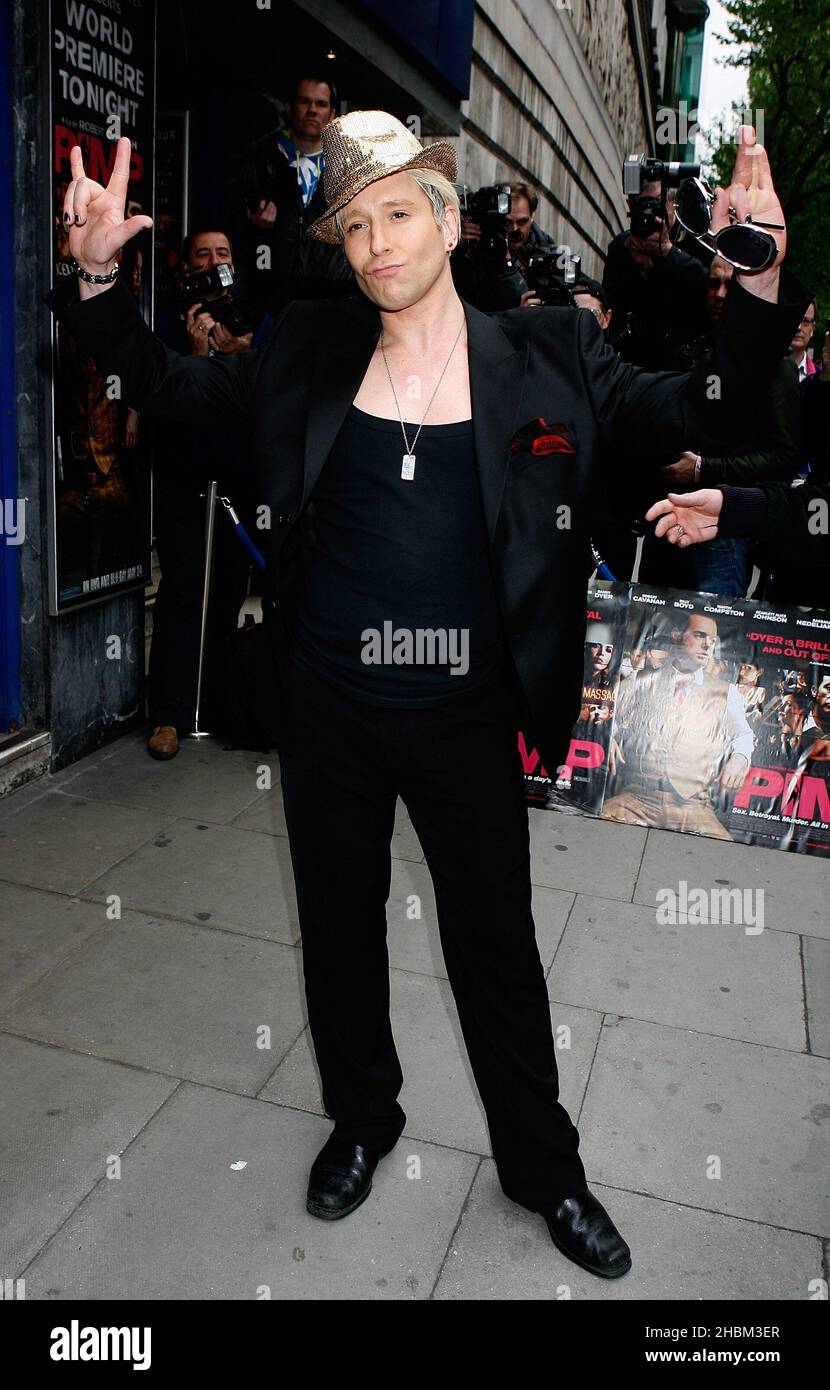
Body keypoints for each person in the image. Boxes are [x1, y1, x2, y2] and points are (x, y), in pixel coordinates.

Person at [50, 116, 806, 1282]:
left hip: (463, 717)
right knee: (341, 934)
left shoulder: (550, 352)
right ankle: (364, 1119)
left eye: (397, 211)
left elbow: (701, 407)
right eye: (353, 223)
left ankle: (543, 1169)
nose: (374, 242)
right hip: (328, 713)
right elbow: (159, 382)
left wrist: (752, 283)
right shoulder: (304, 346)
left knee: (494, 950)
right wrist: (97, 276)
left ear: (448, 222)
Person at [146, 227, 269, 760]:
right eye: (204, 254)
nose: (215, 261)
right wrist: (196, 356)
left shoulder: (252, 320)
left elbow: (273, 393)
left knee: (225, 592)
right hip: (185, 479)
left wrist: (246, 351)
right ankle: (168, 715)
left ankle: (217, 700)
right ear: (187, 265)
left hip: (240, 480)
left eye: (224, 252)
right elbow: (162, 402)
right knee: (182, 591)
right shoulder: (172, 324)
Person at [604, 609, 754, 838]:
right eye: (700, 636)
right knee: (601, 824)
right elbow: (608, 712)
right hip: (638, 799)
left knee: (722, 848)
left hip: (693, 806)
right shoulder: (641, 680)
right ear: (677, 636)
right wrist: (608, 734)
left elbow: (744, 735)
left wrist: (740, 758)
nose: (707, 646)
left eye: (712, 640)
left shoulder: (726, 692)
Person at [236, 72, 354, 312]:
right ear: (289, 108)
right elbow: (236, 229)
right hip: (271, 301)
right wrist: (259, 230)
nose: (312, 110)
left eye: (321, 104)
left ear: (332, 114)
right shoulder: (260, 158)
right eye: (305, 101)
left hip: (328, 302)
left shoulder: (346, 165)